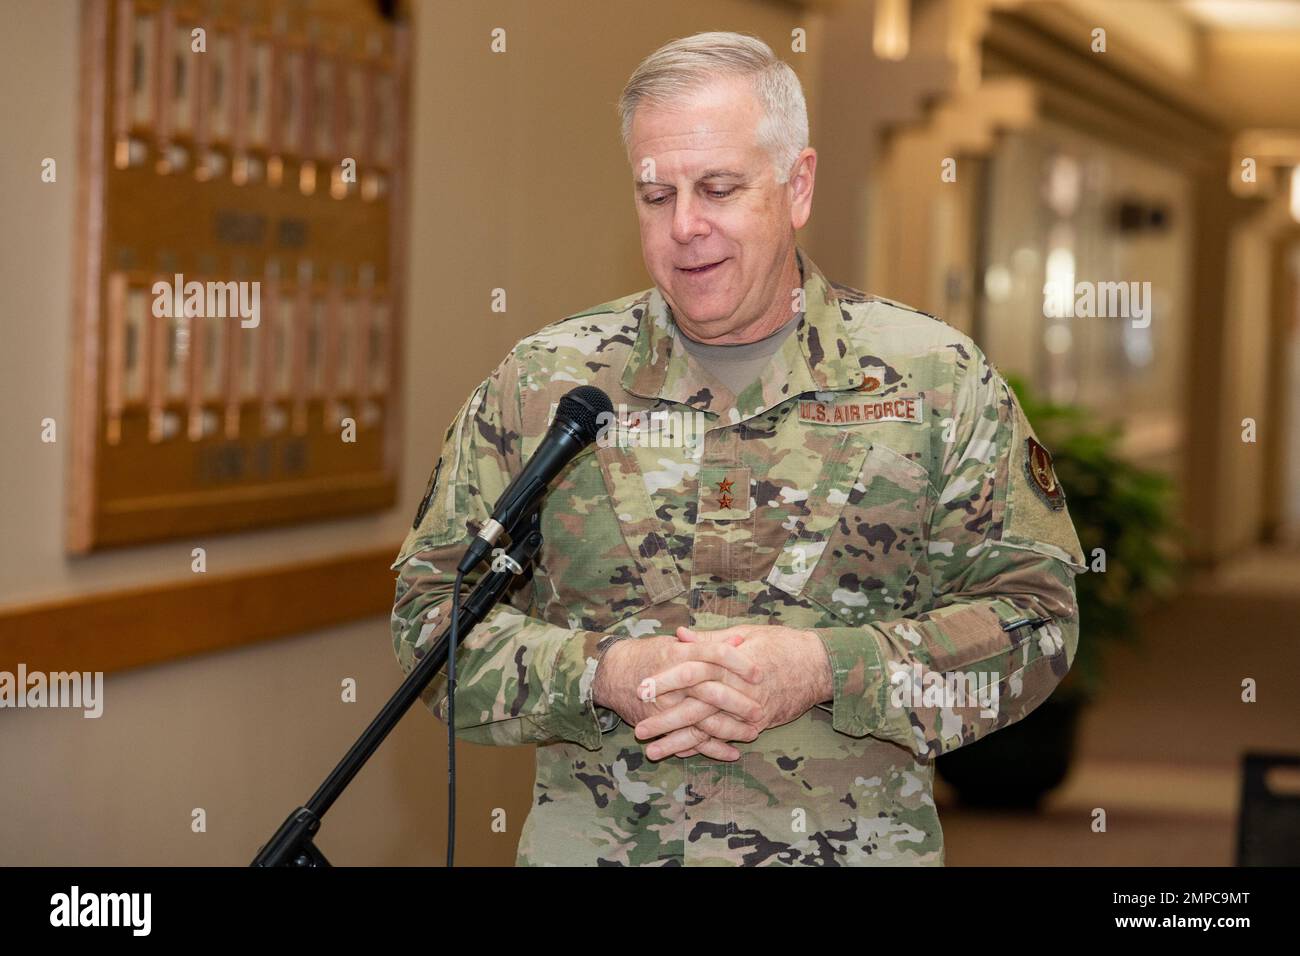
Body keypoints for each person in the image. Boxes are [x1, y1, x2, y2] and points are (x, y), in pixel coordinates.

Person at [390, 31, 1084, 866]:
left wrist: (831, 667)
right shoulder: (547, 384)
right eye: (655, 195)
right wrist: (600, 673)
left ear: (798, 187)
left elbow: (1038, 623)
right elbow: (430, 622)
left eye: (718, 188)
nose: (685, 226)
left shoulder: (935, 382)